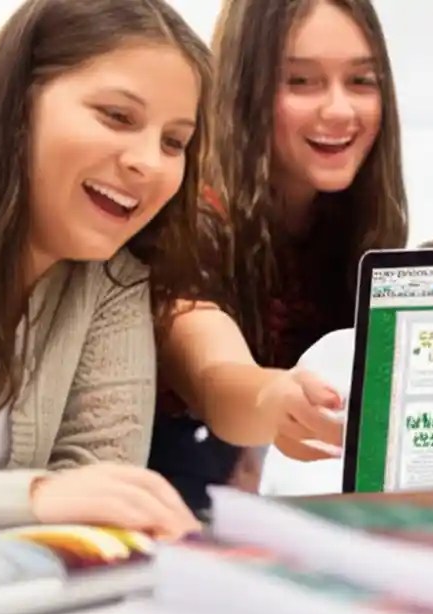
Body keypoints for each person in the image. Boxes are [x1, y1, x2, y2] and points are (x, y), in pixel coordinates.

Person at [149, 0, 408, 510]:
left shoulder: (354, 227)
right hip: (156, 511)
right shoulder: (192, 219)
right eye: (301, 82)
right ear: (245, 91)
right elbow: (215, 377)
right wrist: (274, 403)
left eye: (361, 81)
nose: (339, 110)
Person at [0, 0, 206, 537]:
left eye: (174, 142)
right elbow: (64, 500)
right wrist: (34, 497)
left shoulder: (113, 282)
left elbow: (100, 494)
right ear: (19, 101)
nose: (149, 162)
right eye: (117, 116)